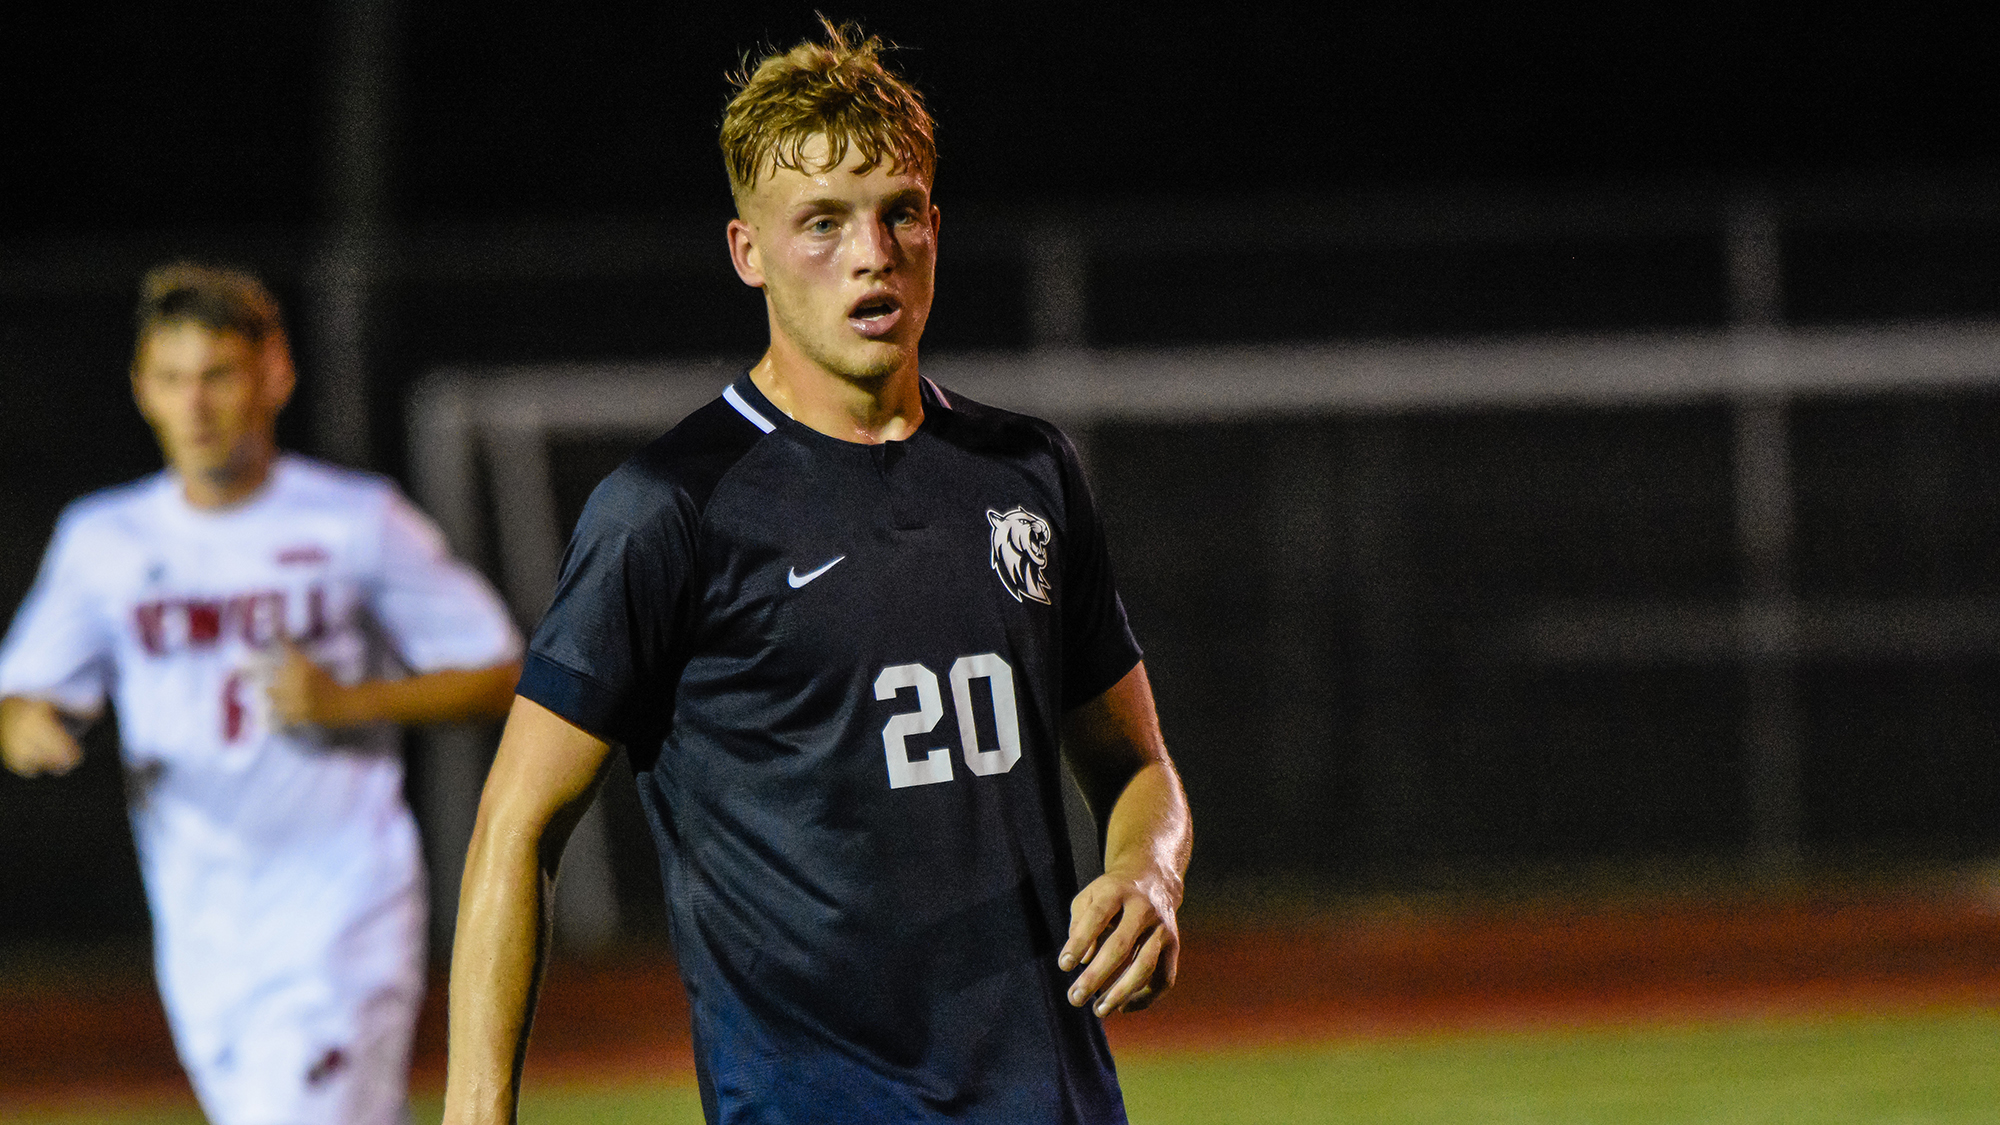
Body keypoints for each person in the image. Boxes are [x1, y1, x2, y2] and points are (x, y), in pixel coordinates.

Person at [443, 20, 1191, 1125]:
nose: (869, 254)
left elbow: (1137, 766)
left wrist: (1148, 872)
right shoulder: (668, 510)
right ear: (747, 251)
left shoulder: (1026, 471)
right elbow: (518, 822)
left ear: (936, 229)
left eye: (897, 214)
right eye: (821, 225)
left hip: (1055, 1099)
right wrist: (474, 1109)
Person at [0, 263, 523, 1125]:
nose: (195, 404)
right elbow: (27, 692)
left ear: (273, 376)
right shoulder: (104, 540)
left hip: (342, 908)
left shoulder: (354, 519)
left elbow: (504, 672)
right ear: (142, 391)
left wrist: (349, 703)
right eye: (172, 379)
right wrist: (31, 726)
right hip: (201, 929)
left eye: (217, 376)